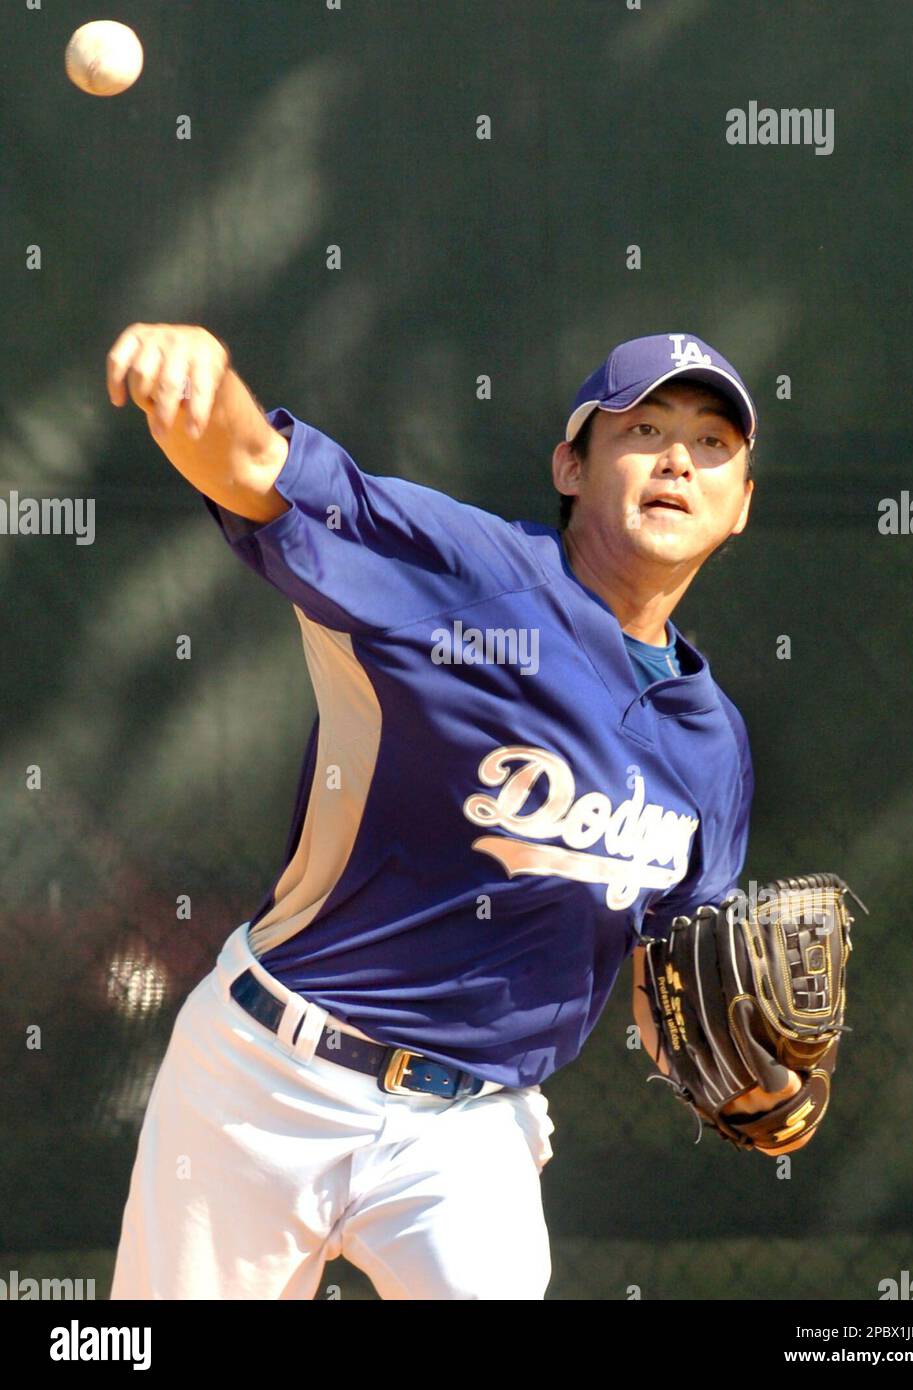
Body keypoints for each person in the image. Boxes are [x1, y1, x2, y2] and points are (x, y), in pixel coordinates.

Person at [105, 325, 805, 1301]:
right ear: (571, 464)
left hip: (465, 1135)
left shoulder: (712, 744)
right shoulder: (464, 573)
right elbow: (258, 467)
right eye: (643, 428)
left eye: (713, 443)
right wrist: (203, 381)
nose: (678, 459)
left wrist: (741, 1066)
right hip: (262, 1080)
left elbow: (670, 976)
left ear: (741, 506)